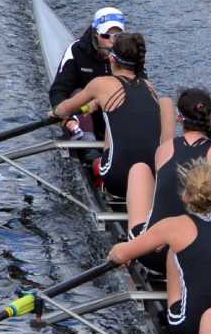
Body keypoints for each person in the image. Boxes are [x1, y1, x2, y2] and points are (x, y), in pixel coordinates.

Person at [107, 159, 211, 334]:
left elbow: (120, 254)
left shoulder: (173, 227)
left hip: (192, 331)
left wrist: (113, 255)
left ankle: (176, 306)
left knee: (175, 251)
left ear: (185, 196)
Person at [51, 31, 167, 233]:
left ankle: (98, 174)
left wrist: (56, 112)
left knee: (99, 157)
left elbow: (62, 109)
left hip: (118, 179)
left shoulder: (100, 84)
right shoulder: (150, 88)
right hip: (152, 176)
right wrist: (96, 105)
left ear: (112, 58)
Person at [148, 87, 211, 223]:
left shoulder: (163, 149)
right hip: (200, 235)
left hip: (160, 233)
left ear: (179, 118)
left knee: (139, 169)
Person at [48, 6, 127, 108]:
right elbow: (58, 91)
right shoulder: (75, 51)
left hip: (115, 105)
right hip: (85, 109)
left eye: (117, 36)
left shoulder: (128, 51)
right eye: (106, 36)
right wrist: (66, 118)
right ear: (95, 33)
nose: (112, 41)